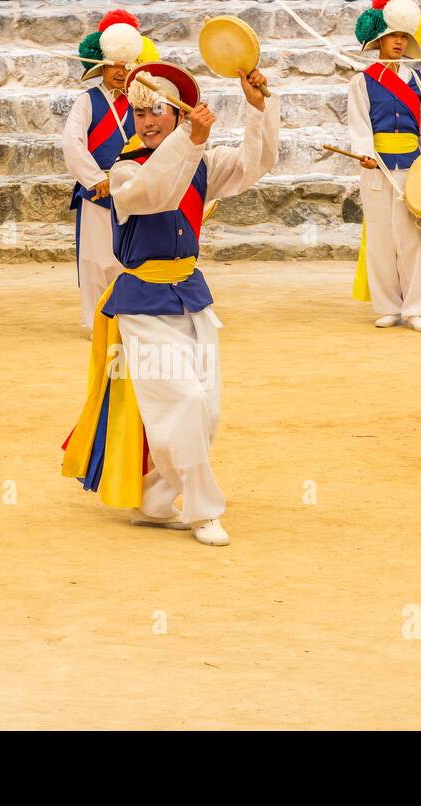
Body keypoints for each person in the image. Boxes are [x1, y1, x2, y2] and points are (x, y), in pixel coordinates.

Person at [62, 61, 280, 546]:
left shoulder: (197, 159)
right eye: (139, 112)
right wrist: (191, 139)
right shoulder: (124, 169)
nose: (146, 120)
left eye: (157, 109)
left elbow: (254, 163)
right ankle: (203, 511)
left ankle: (154, 498)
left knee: (206, 409)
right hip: (142, 304)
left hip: (191, 296)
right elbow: (154, 194)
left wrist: (258, 106)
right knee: (181, 402)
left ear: (179, 112)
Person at [347, 0, 421, 332]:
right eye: (393, 36)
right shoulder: (363, 81)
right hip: (376, 169)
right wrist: (363, 151)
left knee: (412, 238)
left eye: (404, 36)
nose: (399, 42)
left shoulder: (418, 80)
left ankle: (416, 308)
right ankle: (388, 305)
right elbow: (359, 124)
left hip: (412, 170)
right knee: (381, 238)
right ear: (380, 41)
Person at [63, 9, 157, 332]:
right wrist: (94, 180)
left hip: (133, 191)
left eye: (126, 65)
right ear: (103, 65)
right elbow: (72, 144)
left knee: (129, 258)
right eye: (115, 65)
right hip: (97, 193)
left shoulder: (142, 103)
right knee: (95, 260)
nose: (121, 72)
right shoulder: (86, 103)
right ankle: (95, 323)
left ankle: (130, 318)